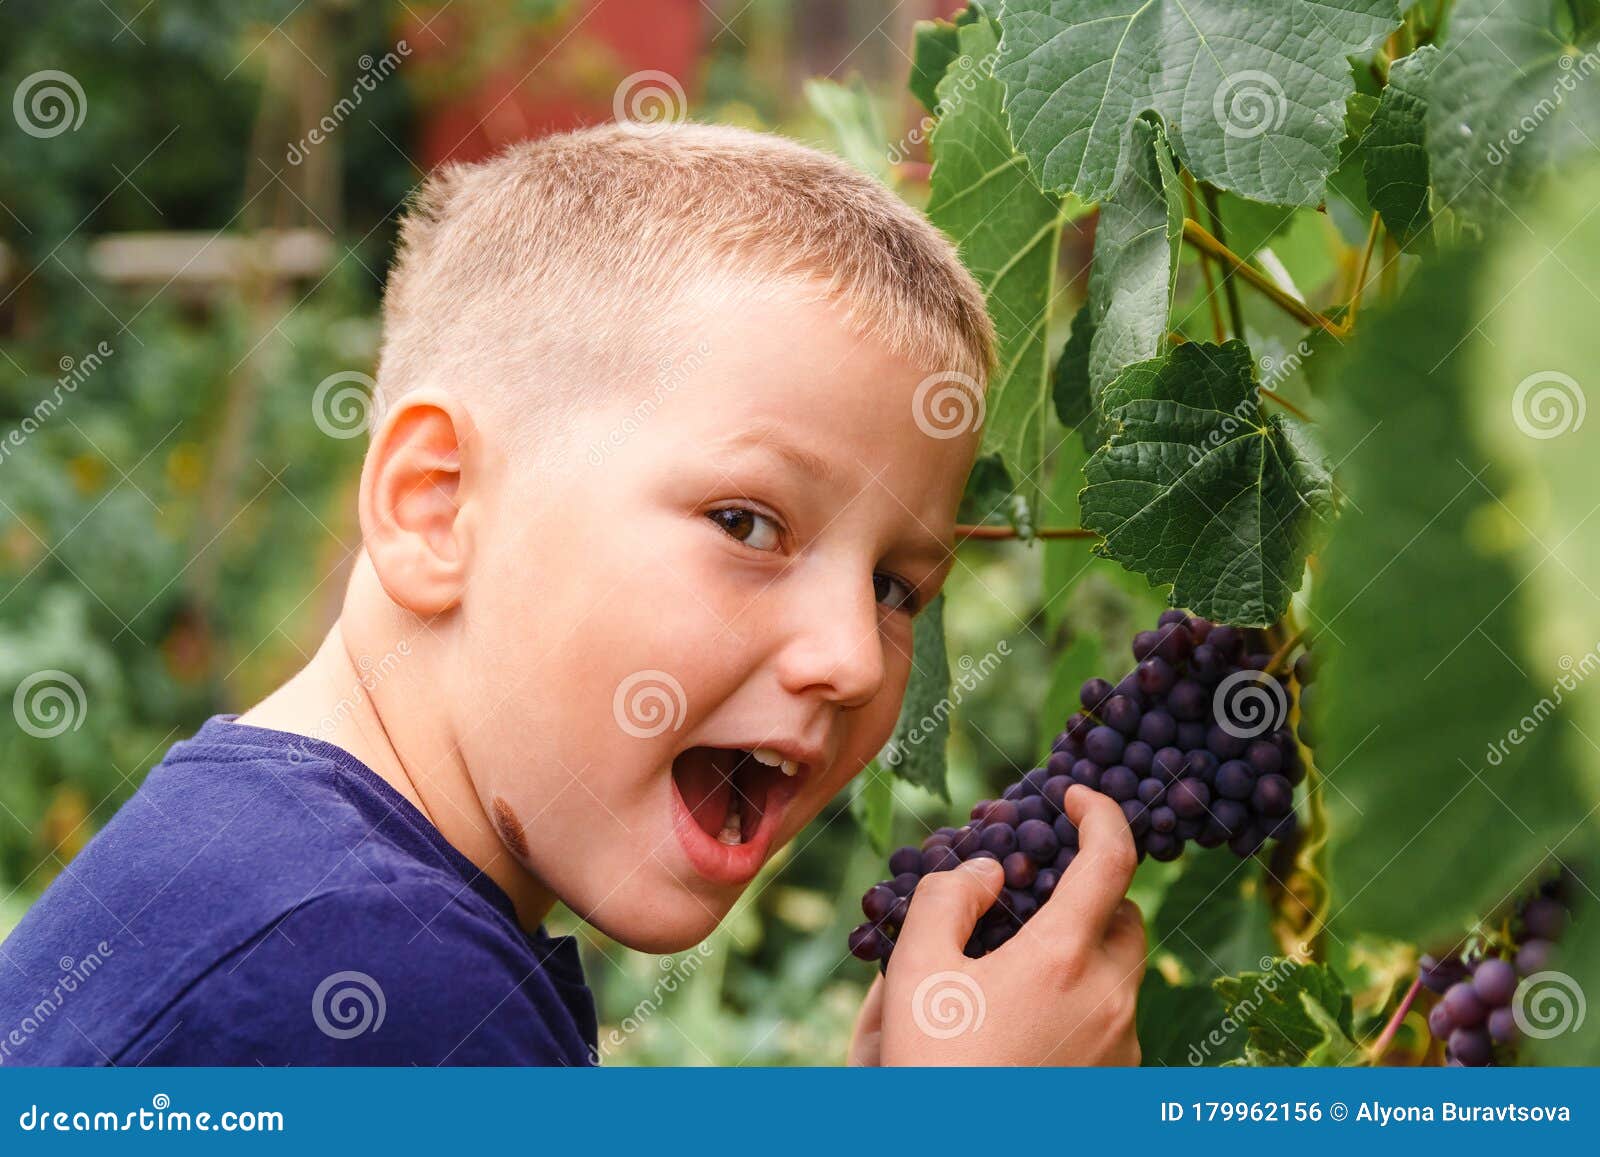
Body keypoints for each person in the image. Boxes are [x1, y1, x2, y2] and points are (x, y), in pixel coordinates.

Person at [0, 124, 1143, 1066]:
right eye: (747, 524)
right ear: (434, 505)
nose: (850, 654)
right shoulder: (377, 977)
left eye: (899, 586)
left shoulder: (265, 879)